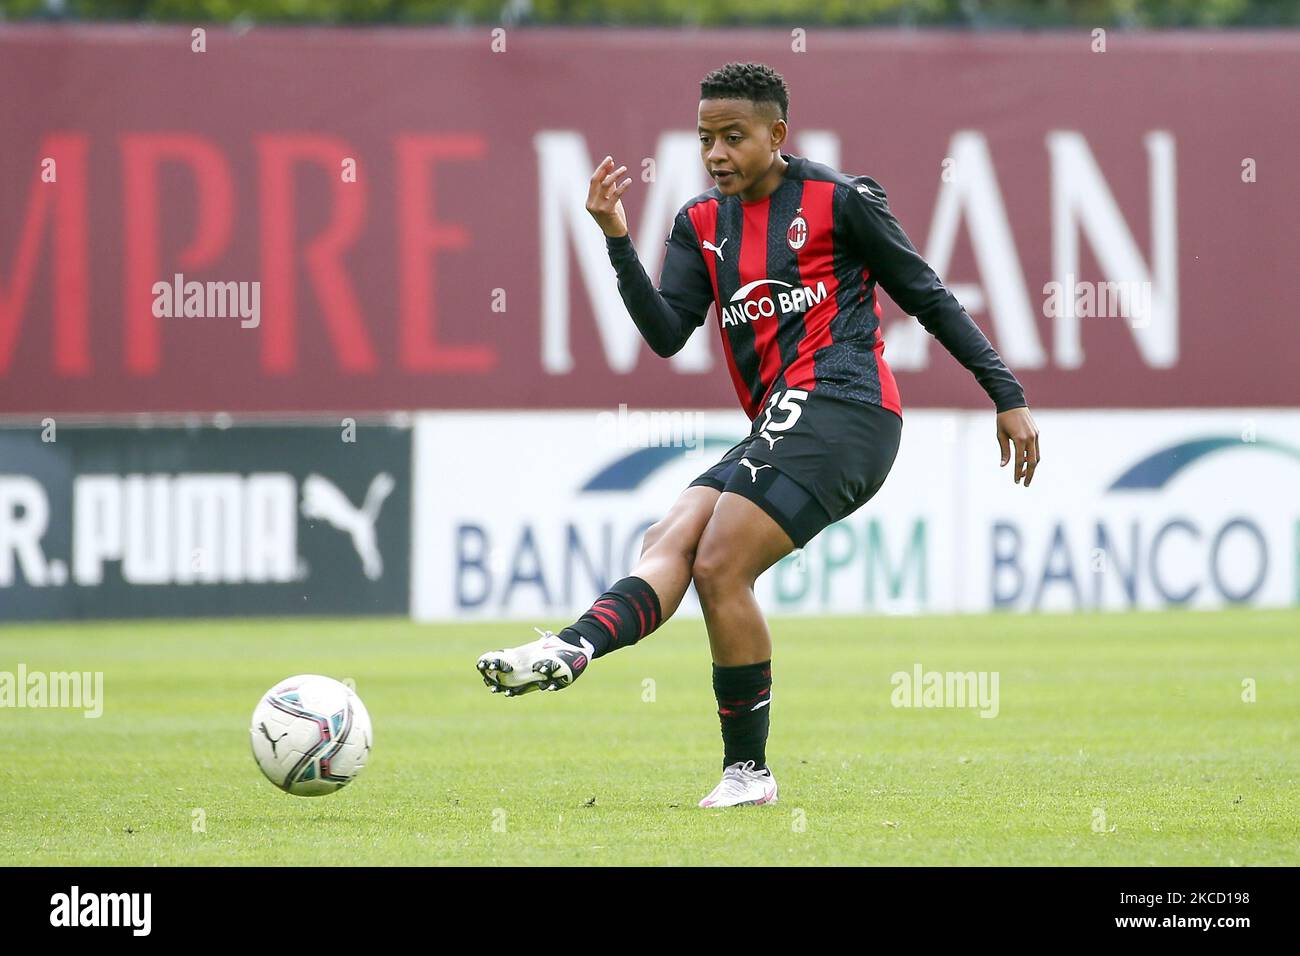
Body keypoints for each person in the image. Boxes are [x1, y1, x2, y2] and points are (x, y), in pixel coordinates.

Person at [475, 61, 1040, 808]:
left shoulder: (841, 201)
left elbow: (929, 297)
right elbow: (668, 334)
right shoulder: (699, 224)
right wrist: (617, 239)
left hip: (849, 408)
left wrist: (1007, 394)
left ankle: (748, 773)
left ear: (777, 134)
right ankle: (573, 646)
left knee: (719, 562)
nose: (715, 154)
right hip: (784, 417)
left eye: (733, 138)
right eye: (705, 137)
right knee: (669, 536)